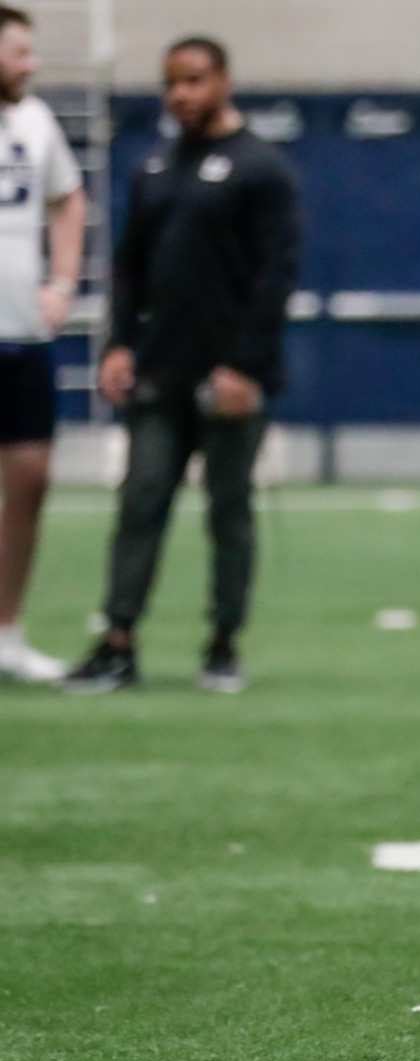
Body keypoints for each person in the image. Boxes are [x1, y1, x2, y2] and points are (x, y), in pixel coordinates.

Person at [64, 37, 301, 695]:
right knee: (139, 502)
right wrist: (118, 345)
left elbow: (277, 276)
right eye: (172, 82)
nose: (181, 94)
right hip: (160, 375)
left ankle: (223, 644)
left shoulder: (262, 169)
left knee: (228, 512)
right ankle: (118, 642)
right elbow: (127, 269)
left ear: (223, 80)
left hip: (230, 381)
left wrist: (244, 368)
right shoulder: (153, 168)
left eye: (194, 80)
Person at [0, 6, 84, 683]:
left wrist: (62, 279)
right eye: (19, 52)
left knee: (30, 480)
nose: (31, 65)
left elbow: (68, 198)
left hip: (21, 336)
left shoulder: (34, 120)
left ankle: (7, 631)